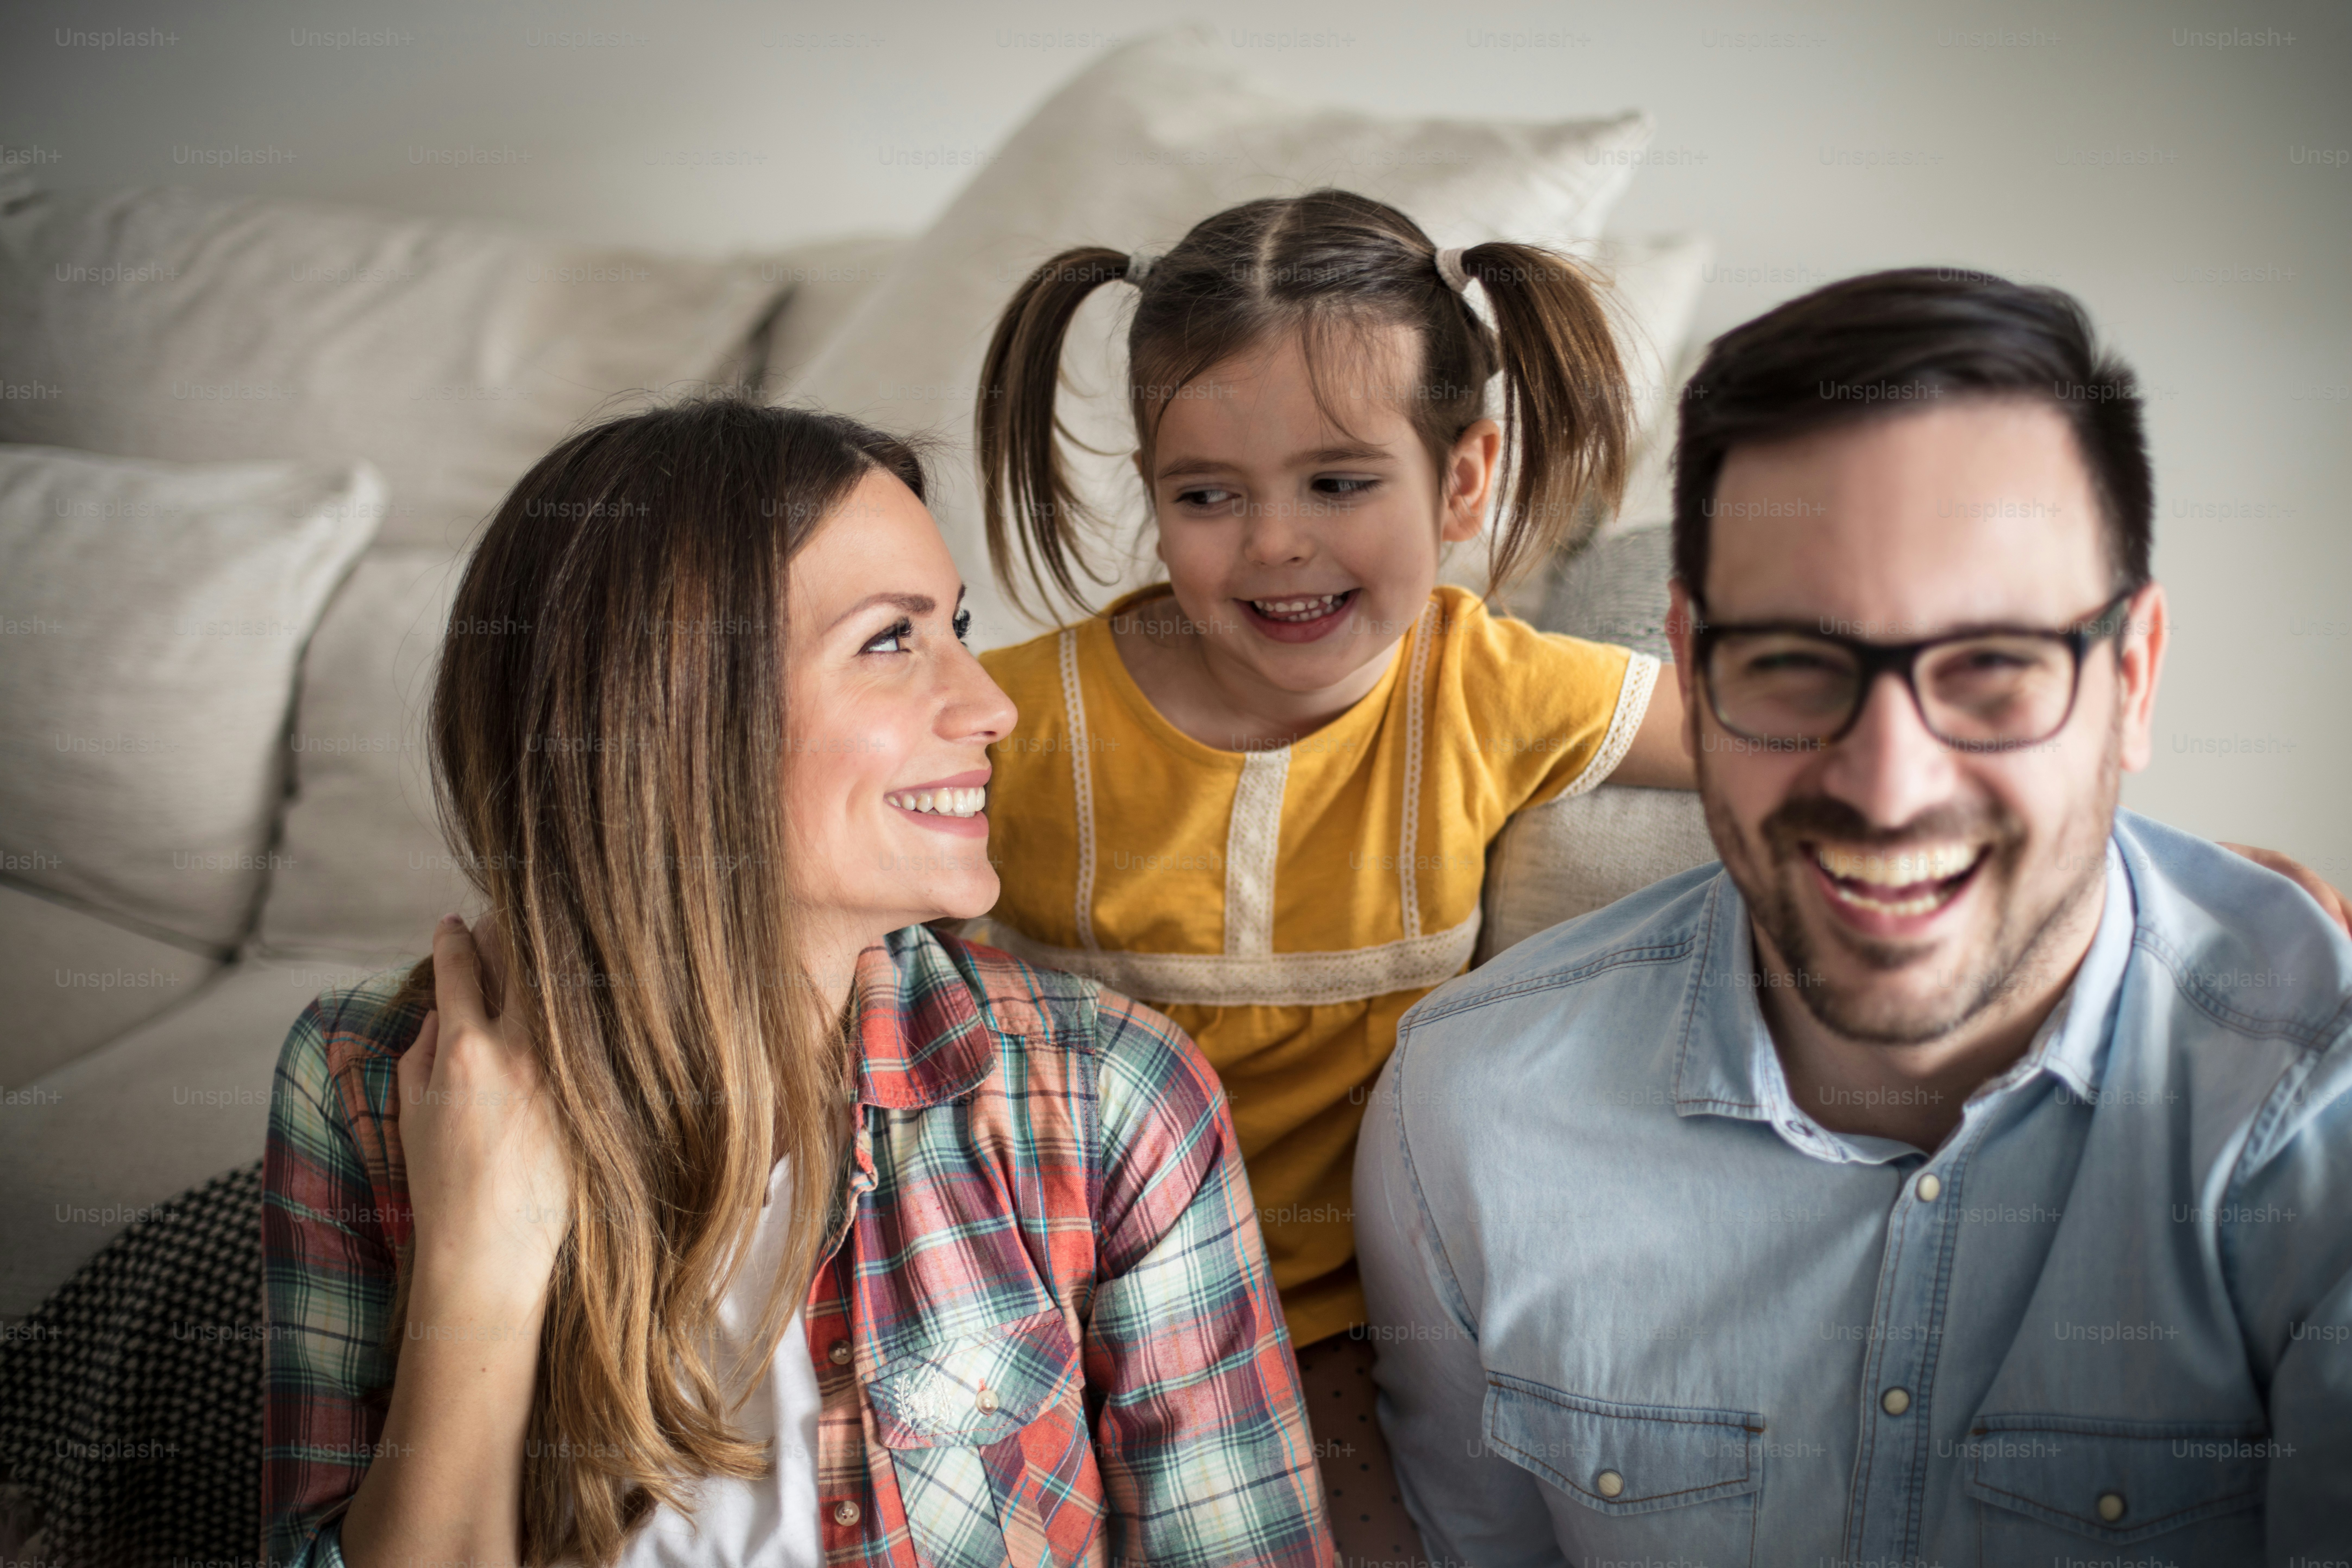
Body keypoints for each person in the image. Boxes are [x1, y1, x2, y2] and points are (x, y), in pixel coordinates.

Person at [1354, 268, 2352, 1564]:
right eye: (1790, 663)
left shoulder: (2311, 1106)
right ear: (1691, 671)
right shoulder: (1466, 1111)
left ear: (2130, 681)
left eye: (1993, 667)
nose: (1885, 785)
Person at [260, 398, 1330, 1568]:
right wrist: (478, 1265)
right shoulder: (371, 1084)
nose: (990, 706)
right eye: (891, 640)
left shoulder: (1107, 1099)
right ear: (670, 713)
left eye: (956, 628)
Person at [965, 188, 1695, 1543]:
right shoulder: (1026, 718)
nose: (1276, 543)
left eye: (1339, 483)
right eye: (1205, 496)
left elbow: (1778, 734)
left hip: (1323, 1336)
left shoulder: (1481, 685)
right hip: (1037, 1311)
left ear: (1462, 478)